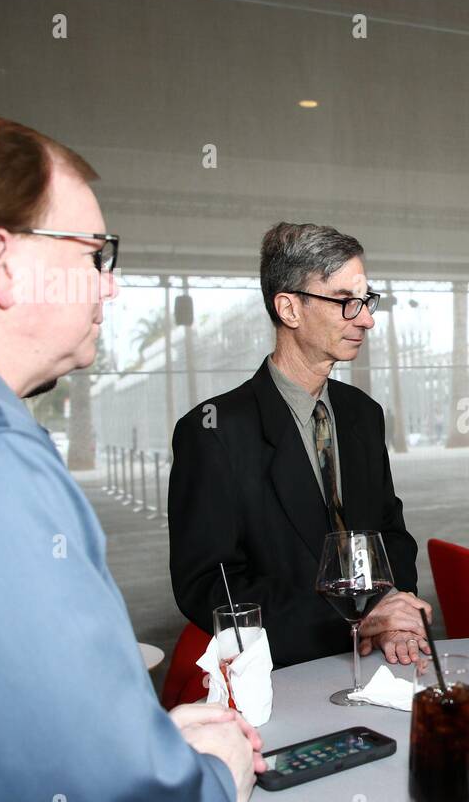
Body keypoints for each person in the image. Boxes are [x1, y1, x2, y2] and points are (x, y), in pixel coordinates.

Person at [0, 115, 262, 802]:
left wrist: (125, 748)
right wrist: (203, 779)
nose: (110, 288)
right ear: (4, 262)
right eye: (96, 254)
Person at [169, 223, 430, 669]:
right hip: (286, 672)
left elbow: (392, 535)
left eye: (366, 301)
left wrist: (396, 614)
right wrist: (357, 620)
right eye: (346, 301)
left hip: (377, 664)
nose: (366, 318)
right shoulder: (213, 432)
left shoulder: (363, 415)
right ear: (289, 308)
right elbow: (212, 591)